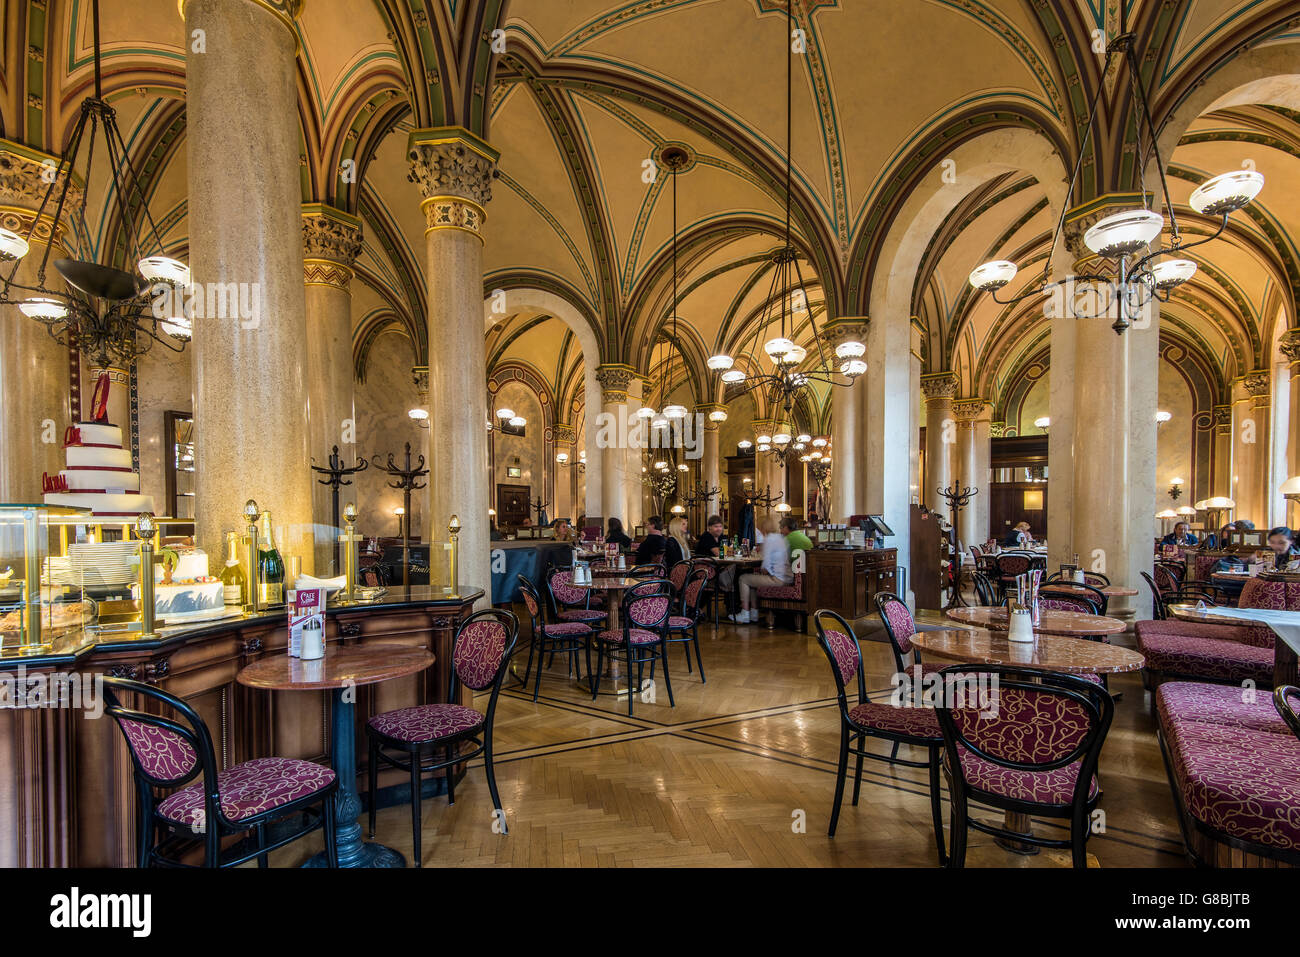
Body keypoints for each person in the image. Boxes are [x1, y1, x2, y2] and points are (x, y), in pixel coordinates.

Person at [731, 516, 792, 624]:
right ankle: (754, 613)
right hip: (788, 577)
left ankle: (745, 613)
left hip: (777, 579)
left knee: (743, 579)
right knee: (753, 579)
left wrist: (762, 568)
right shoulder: (781, 538)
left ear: (764, 528)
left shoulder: (769, 539)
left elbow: (766, 565)